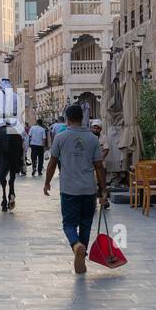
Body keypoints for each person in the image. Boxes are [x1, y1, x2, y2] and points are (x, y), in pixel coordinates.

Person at [44, 104, 108, 275]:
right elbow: (99, 166)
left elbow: (52, 163)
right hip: (88, 189)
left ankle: (76, 245)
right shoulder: (93, 139)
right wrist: (104, 189)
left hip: (69, 189)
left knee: (69, 224)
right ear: (82, 119)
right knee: (86, 224)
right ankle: (82, 253)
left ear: (67, 118)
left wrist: (47, 182)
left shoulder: (60, 137)